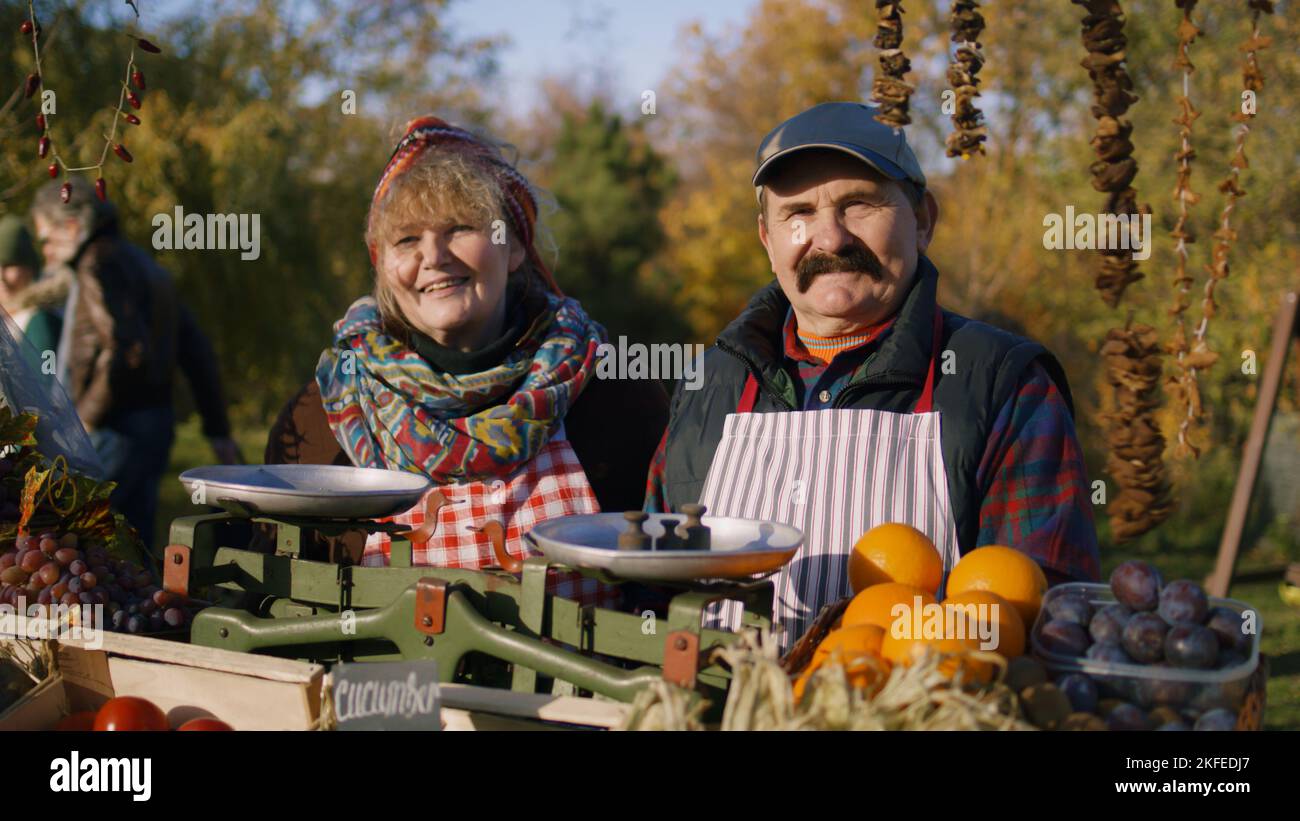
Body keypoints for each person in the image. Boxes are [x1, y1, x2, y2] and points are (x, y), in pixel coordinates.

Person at [646, 102, 1100, 644]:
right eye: (798, 214)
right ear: (768, 241)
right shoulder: (709, 383)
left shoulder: (1004, 383)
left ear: (924, 220)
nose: (830, 239)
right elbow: (651, 587)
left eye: (858, 204)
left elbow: (1041, 626)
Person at [264, 117, 668, 602]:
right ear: (382, 263)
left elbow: (662, 588)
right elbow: (275, 594)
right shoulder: (323, 414)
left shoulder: (613, 395)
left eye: (460, 228)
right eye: (407, 239)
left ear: (515, 245)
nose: (433, 256)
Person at [30, 178, 240, 553]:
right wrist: (217, 430)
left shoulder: (97, 265)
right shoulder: (147, 266)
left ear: (73, 227)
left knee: (84, 544)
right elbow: (196, 349)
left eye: (47, 237)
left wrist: (85, 418)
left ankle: (97, 613)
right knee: (132, 543)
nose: (44, 250)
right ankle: (137, 611)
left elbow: (127, 349)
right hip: (153, 425)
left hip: (114, 431)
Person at [0, 215, 61, 358]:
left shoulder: (39, 322)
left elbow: (46, 377)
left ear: (29, 269)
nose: (1, 276)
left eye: (9, 266)